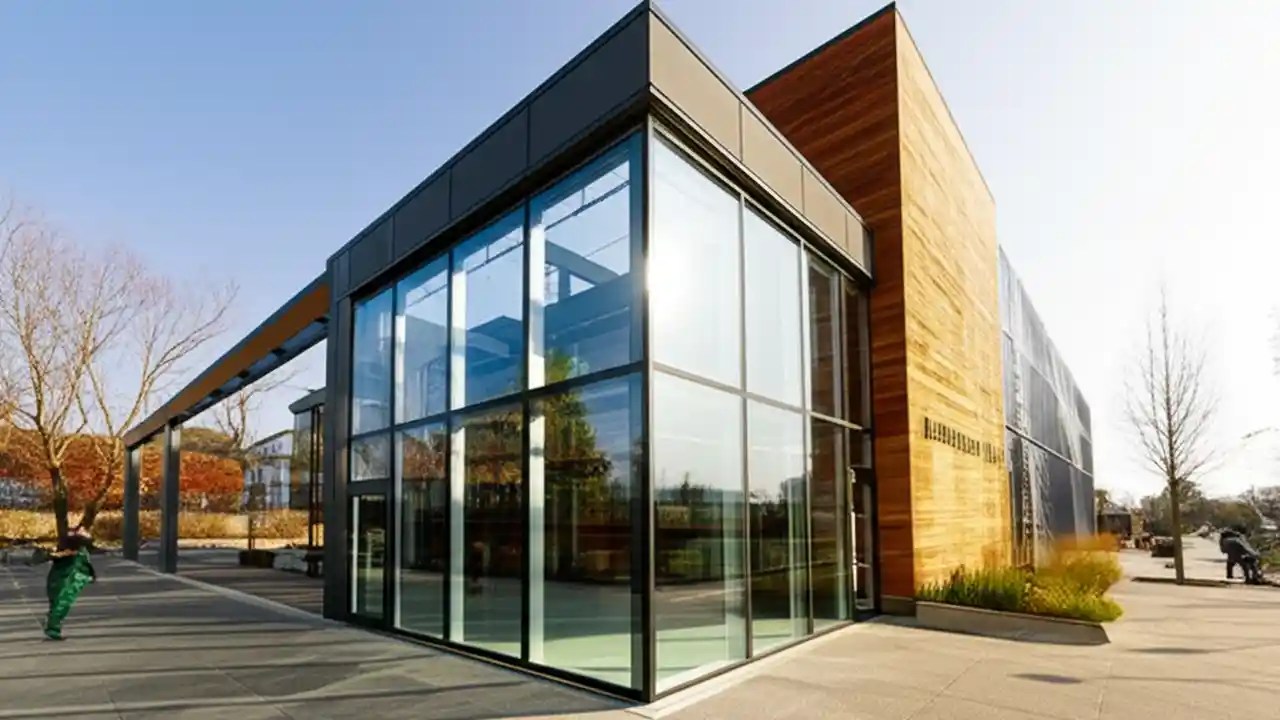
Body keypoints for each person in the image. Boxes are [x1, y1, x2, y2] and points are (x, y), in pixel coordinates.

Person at [41, 527, 97, 640]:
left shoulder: (79, 553)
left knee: (59, 601)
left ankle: (52, 625)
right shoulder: (77, 554)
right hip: (67, 576)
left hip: (64, 575)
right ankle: (52, 627)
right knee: (62, 600)